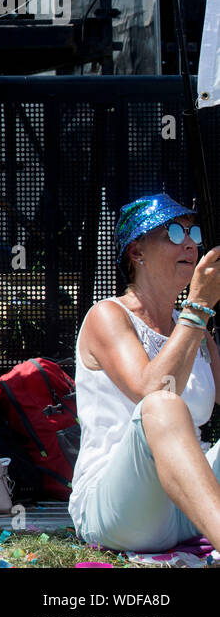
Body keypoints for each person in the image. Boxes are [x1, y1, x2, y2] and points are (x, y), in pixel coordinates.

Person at [69, 193, 220, 552]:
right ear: (137, 253)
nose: (190, 243)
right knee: (162, 406)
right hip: (120, 510)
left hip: (189, 508)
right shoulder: (108, 315)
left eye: (193, 233)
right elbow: (150, 390)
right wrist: (197, 307)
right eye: (173, 232)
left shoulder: (197, 331)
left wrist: (197, 315)